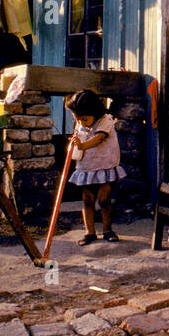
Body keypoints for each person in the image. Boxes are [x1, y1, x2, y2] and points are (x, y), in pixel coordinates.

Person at [64, 89, 126, 246]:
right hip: (86, 167)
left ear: (95, 112)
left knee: (105, 199)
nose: (81, 123)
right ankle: (89, 232)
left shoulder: (106, 121)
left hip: (104, 166)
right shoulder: (80, 122)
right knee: (87, 200)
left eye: (84, 119)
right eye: (78, 119)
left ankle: (107, 230)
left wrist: (82, 145)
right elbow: (79, 138)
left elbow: (99, 138)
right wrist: (75, 143)